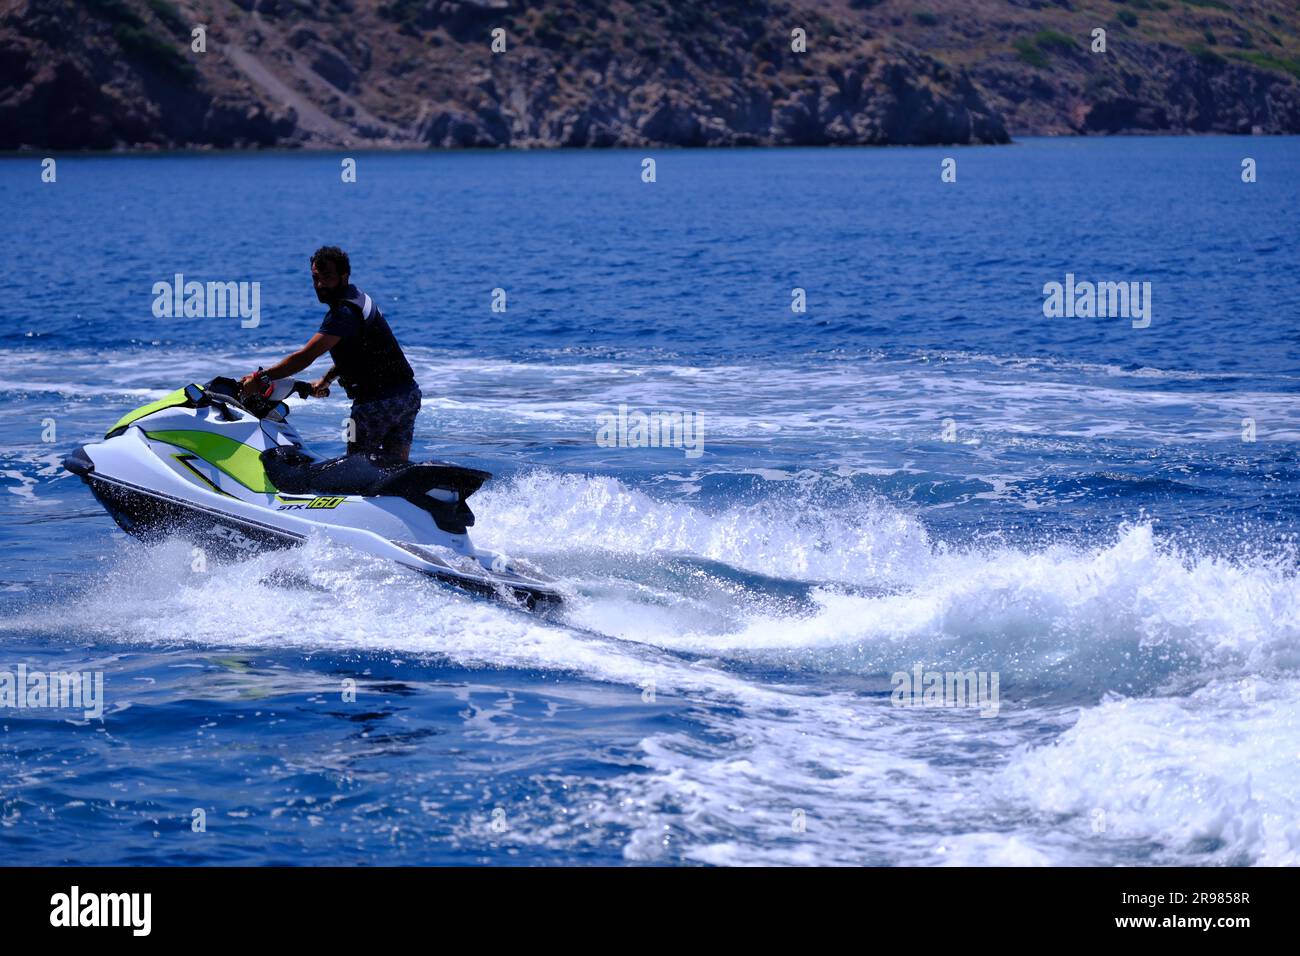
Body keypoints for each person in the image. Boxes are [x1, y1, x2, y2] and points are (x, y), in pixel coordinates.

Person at [240, 246, 422, 461]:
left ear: (344, 276)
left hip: (374, 405)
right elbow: (360, 353)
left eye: (327, 277)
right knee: (394, 466)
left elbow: (305, 356)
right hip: (407, 395)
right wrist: (326, 380)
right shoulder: (361, 299)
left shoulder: (343, 313)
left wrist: (260, 378)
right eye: (315, 278)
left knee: (356, 467)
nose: (320, 285)